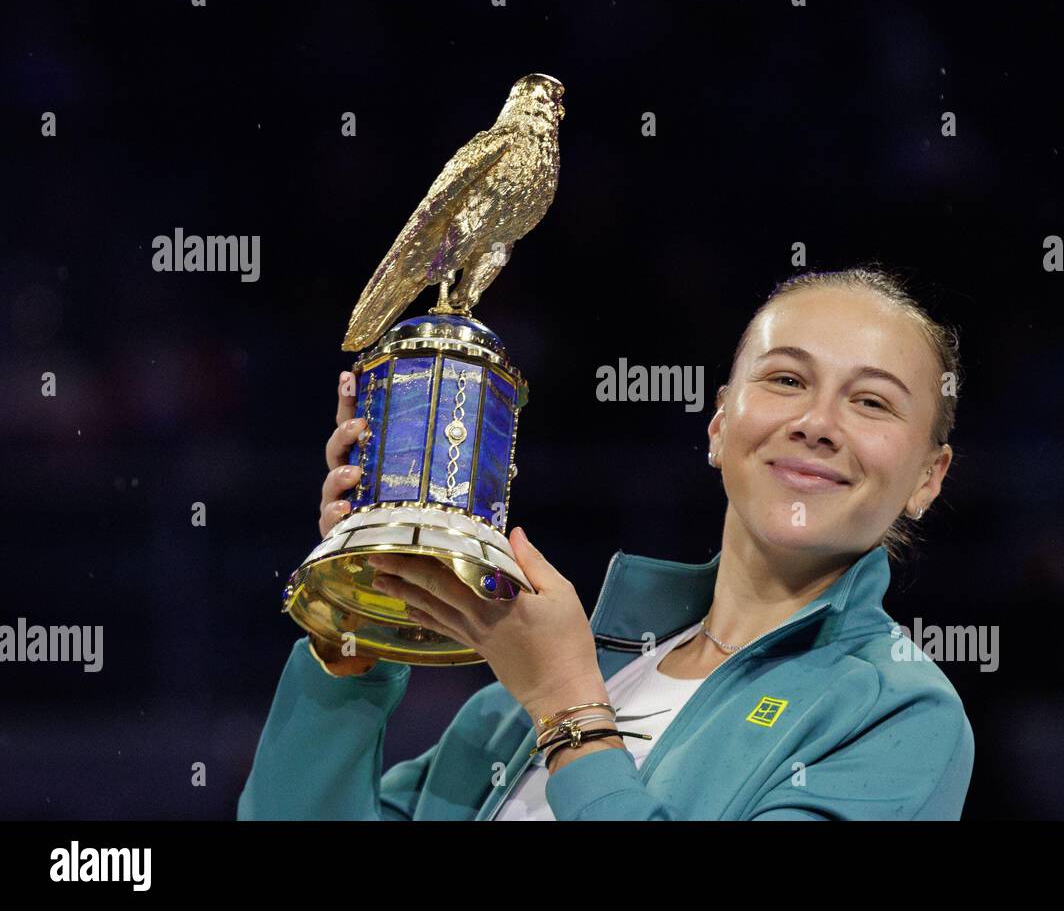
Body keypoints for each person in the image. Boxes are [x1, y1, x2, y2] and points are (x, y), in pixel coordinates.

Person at [237, 262, 974, 820]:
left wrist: (571, 711)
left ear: (927, 478)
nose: (817, 421)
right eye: (785, 379)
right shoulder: (509, 708)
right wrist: (359, 621)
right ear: (719, 424)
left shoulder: (900, 712)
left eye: (871, 400)